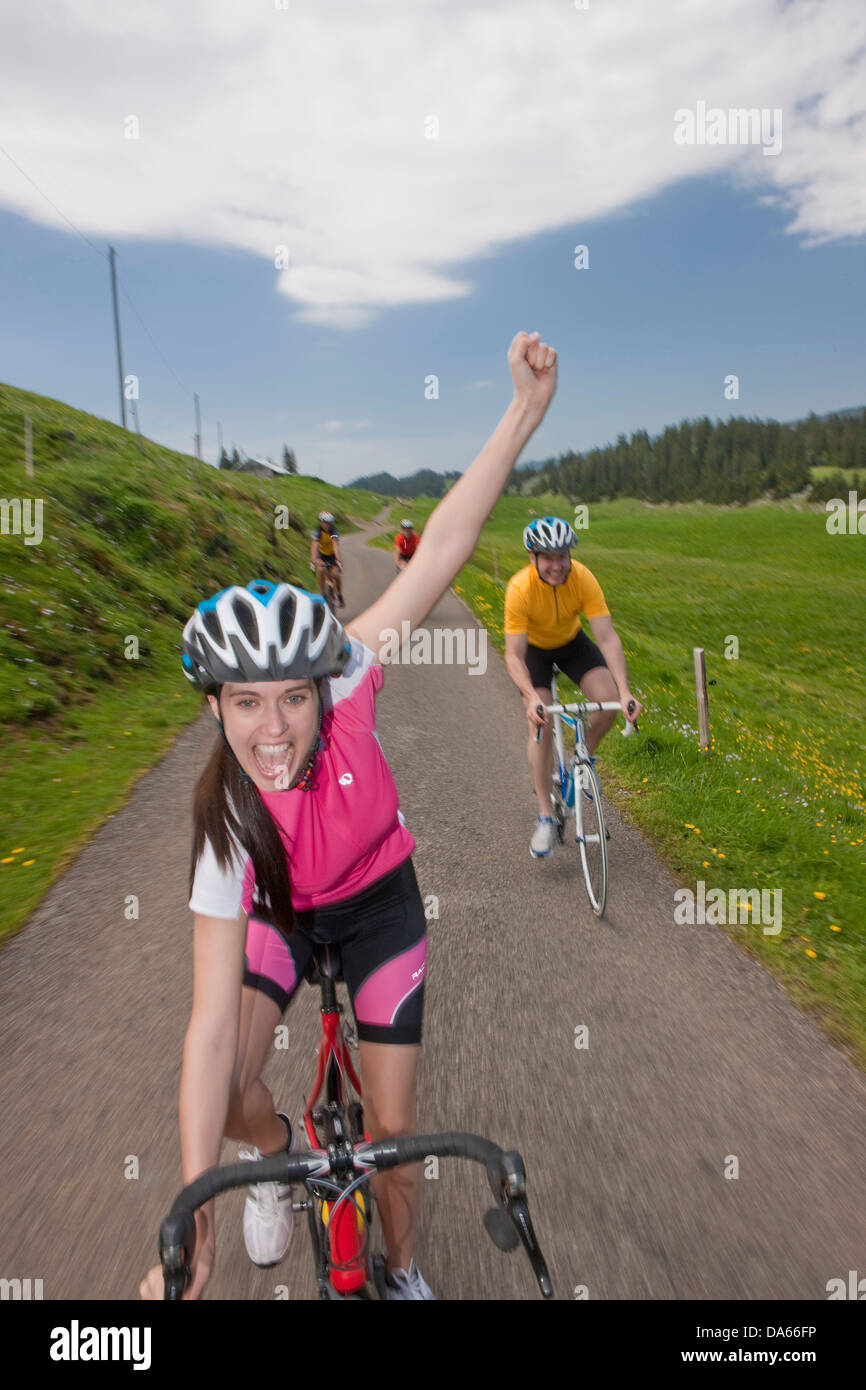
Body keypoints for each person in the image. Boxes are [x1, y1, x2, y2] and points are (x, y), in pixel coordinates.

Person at [139, 330, 559, 1302]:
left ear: (326, 686)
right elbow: (206, 1033)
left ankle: (402, 1266)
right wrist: (195, 1209)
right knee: (237, 1081)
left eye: (293, 696)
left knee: (394, 1143)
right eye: (246, 703)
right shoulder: (225, 823)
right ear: (213, 708)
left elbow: (442, 549)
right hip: (281, 918)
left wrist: (521, 413)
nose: (274, 727)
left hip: (378, 905)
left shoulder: (355, 667)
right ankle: (279, 1155)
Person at [503, 516, 643, 858]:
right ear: (532, 558)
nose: (557, 565)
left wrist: (625, 691)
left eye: (562, 556)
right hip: (534, 652)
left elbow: (607, 637)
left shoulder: (582, 578)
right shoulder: (520, 589)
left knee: (607, 702)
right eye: (548, 557)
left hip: (571, 644)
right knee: (542, 723)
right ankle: (546, 817)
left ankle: (583, 759)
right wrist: (531, 697)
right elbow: (513, 655)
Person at [311, 512, 345, 607]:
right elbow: (314, 546)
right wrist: (314, 560)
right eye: (325, 522)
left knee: (336, 575)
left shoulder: (333, 531)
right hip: (321, 555)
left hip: (332, 555)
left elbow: (335, 545)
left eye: (329, 523)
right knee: (321, 570)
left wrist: (338, 560)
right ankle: (323, 593)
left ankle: (339, 595)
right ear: (321, 522)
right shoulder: (317, 532)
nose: (327, 525)